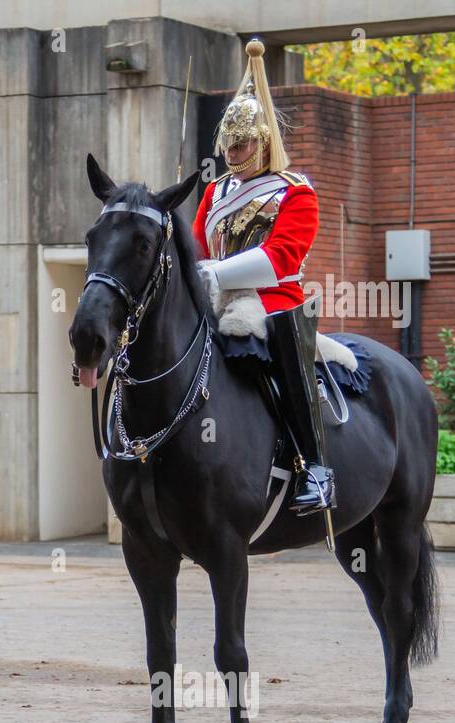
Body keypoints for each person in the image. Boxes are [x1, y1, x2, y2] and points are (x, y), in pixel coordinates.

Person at [192, 39, 333, 515]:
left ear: (266, 140)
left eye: (243, 142)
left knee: (281, 342)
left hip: (274, 299)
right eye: (228, 144)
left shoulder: (295, 192)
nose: (233, 152)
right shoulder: (214, 193)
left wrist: (214, 271)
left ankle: (314, 466)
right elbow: (196, 247)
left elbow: (282, 259)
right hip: (212, 298)